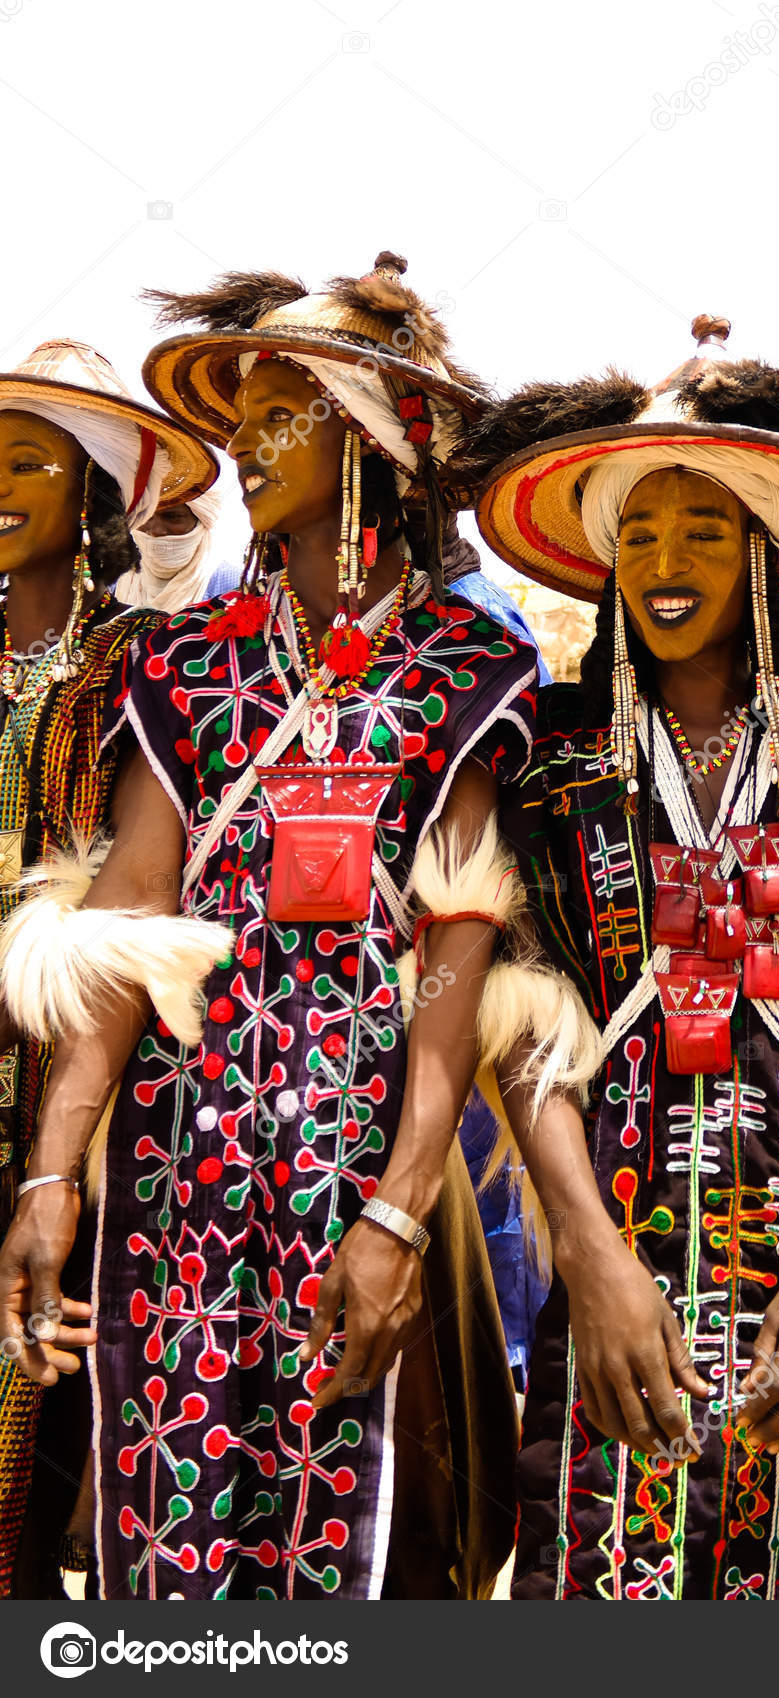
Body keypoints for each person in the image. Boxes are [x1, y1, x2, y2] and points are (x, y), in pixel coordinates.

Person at [0, 254, 538, 1600]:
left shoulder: (466, 671)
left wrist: (404, 1213)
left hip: (362, 1168)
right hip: (181, 1184)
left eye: (286, 409)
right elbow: (124, 926)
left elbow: (455, 964)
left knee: (366, 1551)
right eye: (243, 412)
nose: (248, 443)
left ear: (373, 438)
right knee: (172, 1553)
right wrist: (55, 1174)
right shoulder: (186, 667)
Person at [445, 314, 779, 1599]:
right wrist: (589, 1258)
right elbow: (519, 1021)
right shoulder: (544, 767)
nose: (665, 558)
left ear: (766, 554)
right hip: (615, 1288)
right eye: (640, 532)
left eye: (705, 529)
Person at [0, 339, 216, 1596]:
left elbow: (141, 892)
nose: (2, 483)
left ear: (93, 497)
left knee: (32, 1405)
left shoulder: (149, 662)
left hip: (76, 1076)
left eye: (30, 460)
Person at [119, 478, 227, 611]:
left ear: (200, 522)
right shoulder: (113, 583)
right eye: (146, 517)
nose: (156, 531)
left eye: (173, 517)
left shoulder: (232, 588)